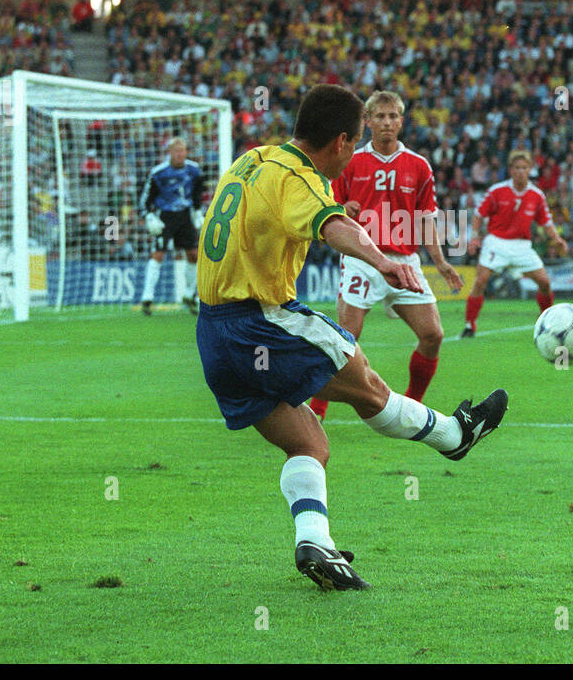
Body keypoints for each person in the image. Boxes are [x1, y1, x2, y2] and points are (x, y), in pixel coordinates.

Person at [195, 85, 508, 591]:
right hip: (260, 321)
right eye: (357, 138)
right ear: (341, 141)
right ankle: (455, 436)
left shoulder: (254, 158)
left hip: (211, 334)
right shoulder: (303, 177)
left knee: (310, 444)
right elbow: (333, 223)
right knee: (369, 387)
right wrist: (385, 262)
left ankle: (314, 540)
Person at [308, 91, 462, 420]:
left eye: (393, 116)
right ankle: (317, 408)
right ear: (368, 122)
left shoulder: (419, 166)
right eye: (379, 116)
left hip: (404, 263)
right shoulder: (350, 161)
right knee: (346, 338)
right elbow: (329, 210)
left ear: (401, 122)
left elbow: (425, 220)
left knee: (433, 335)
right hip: (363, 260)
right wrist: (341, 209)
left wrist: (442, 262)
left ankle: (411, 404)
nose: (387, 122)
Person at [461, 150, 570, 337]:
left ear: (530, 170)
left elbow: (546, 222)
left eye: (524, 167)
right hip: (497, 242)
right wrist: (474, 237)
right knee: (480, 281)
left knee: (544, 282)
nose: (521, 171)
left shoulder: (537, 195)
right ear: (510, 170)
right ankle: (470, 324)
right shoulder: (496, 191)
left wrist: (557, 239)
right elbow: (479, 215)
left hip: (521, 246)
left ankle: (545, 320)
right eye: (517, 167)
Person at [139, 137, 204, 315]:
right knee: (158, 254)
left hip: (185, 216)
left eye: (182, 151)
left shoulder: (194, 170)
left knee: (193, 254)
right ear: (169, 153)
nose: (179, 154)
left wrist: (198, 212)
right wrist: (149, 216)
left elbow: (198, 193)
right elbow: (145, 199)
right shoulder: (158, 172)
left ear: (186, 152)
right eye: (176, 151)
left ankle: (190, 294)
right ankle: (147, 297)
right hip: (165, 216)